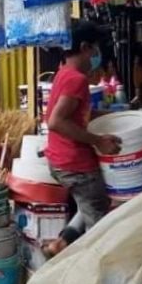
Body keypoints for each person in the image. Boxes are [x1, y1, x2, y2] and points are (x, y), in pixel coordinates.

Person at [41, 21, 121, 258]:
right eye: (94, 49)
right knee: (98, 220)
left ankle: (59, 245)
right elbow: (56, 121)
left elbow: (78, 114)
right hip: (76, 164)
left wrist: (119, 115)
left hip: (60, 160)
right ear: (84, 47)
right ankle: (96, 272)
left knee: (89, 203)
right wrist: (97, 140)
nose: (96, 55)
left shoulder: (63, 73)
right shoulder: (76, 79)